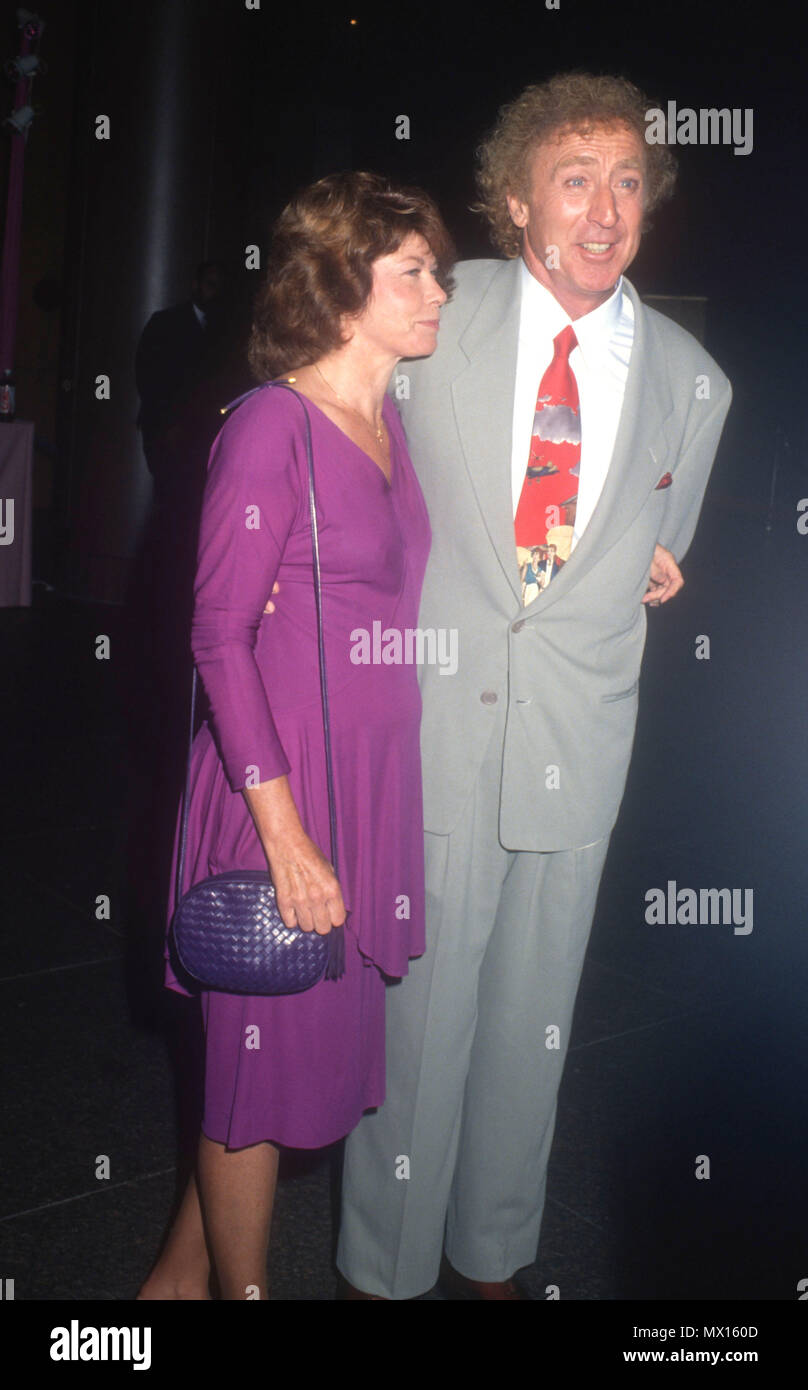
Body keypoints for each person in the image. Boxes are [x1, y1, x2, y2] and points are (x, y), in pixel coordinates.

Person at [335, 72, 732, 1299]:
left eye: (626, 181)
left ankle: (495, 1254)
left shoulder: (696, 381)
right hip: (434, 732)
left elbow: (651, 560)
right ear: (514, 200)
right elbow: (335, 463)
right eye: (574, 177)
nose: (604, 208)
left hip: (577, 751)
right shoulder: (433, 319)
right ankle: (385, 1271)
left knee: (532, 1035)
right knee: (415, 1033)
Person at [137, 171, 453, 1301]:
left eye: (438, 271)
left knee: (261, 1078)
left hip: (361, 781)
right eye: (412, 271)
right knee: (259, 1072)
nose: (438, 293)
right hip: (283, 792)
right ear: (338, 283)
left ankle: (173, 1282)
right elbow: (218, 635)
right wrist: (285, 837)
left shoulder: (383, 423)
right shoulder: (273, 423)